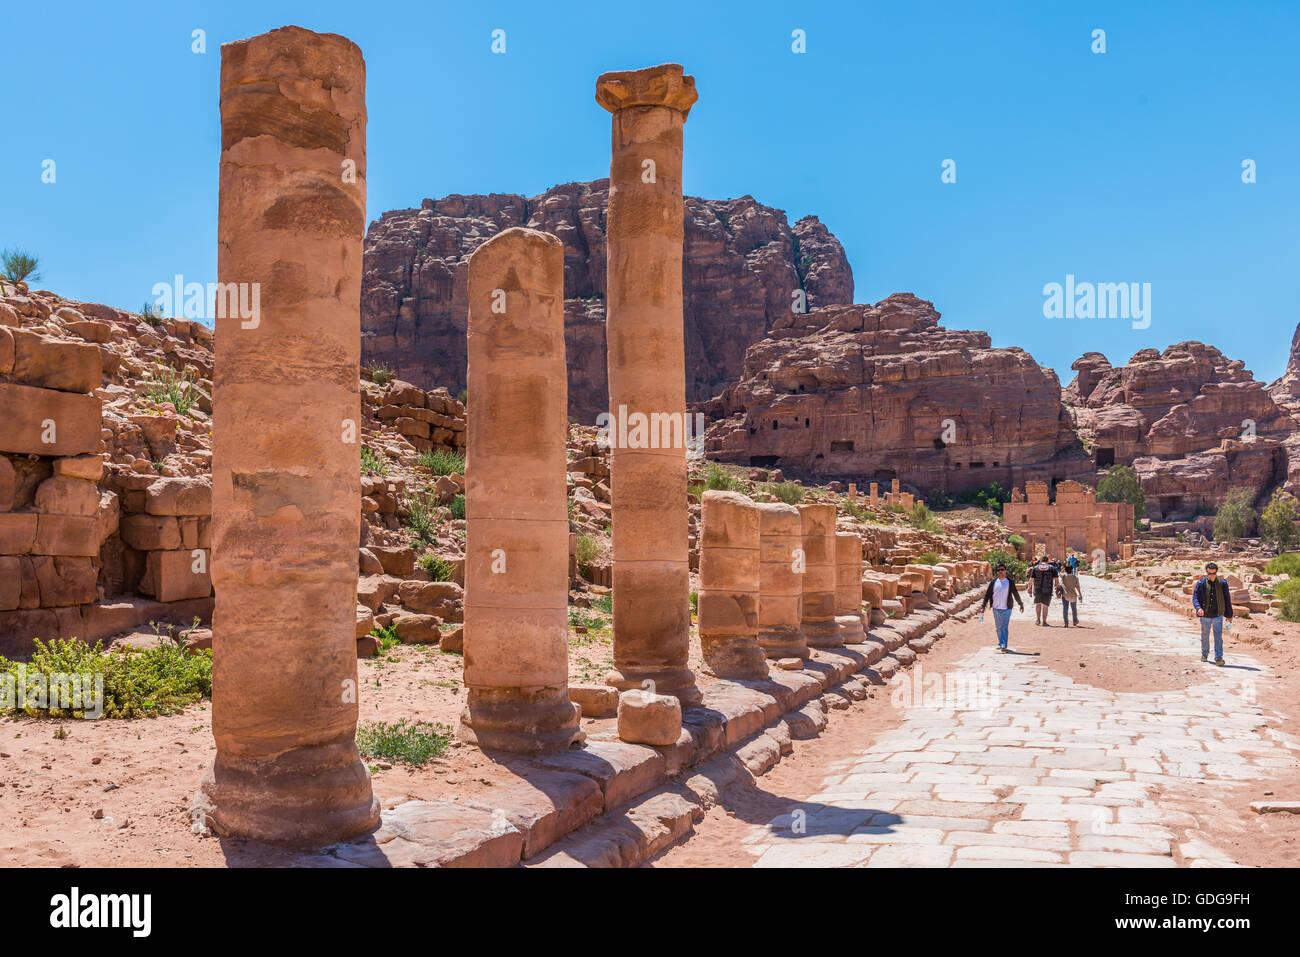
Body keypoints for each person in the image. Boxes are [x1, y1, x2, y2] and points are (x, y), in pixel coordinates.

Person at [1192, 561, 1233, 666]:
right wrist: (1198, 608)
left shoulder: (1223, 583)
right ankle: (1204, 655)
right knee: (1205, 635)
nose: (1212, 575)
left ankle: (1219, 658)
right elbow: (1195, 597)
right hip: (1205, 615)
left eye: (1214, 573)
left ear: (1216, 572)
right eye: (1210, 573)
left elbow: (1227, 600)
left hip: (1218, 615)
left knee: (1218, 636)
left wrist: (1229, 615)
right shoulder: (1201, 583)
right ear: (1207, 572)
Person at [981, 563, 1024, 653]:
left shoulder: (1010, 582)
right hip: (996, 608)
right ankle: (1000, 643)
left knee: (1004, 627)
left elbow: (1015, 593)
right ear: (997, 572)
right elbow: (987, 595)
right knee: (998, 628)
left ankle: (1004, 644)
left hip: (1006, 608)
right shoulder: (993, 583)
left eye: (1002, 570)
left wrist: (1020, 604)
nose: (1000, 572)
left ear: (1005, 571)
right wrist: (983, 606)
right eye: (998, 570)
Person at [1028, 555, 1058, 626]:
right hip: (1048, 589)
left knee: (1038, 604)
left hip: (1037, 588)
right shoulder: (1052, 568)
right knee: (1045, 606)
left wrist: (1029, 587)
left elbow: (1031, 580)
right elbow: (1056, 579)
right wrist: (1057, 587)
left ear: (1041, 561)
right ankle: (1044, 622)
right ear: (1048, 560)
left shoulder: (1035, 568)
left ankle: (1038, 620)